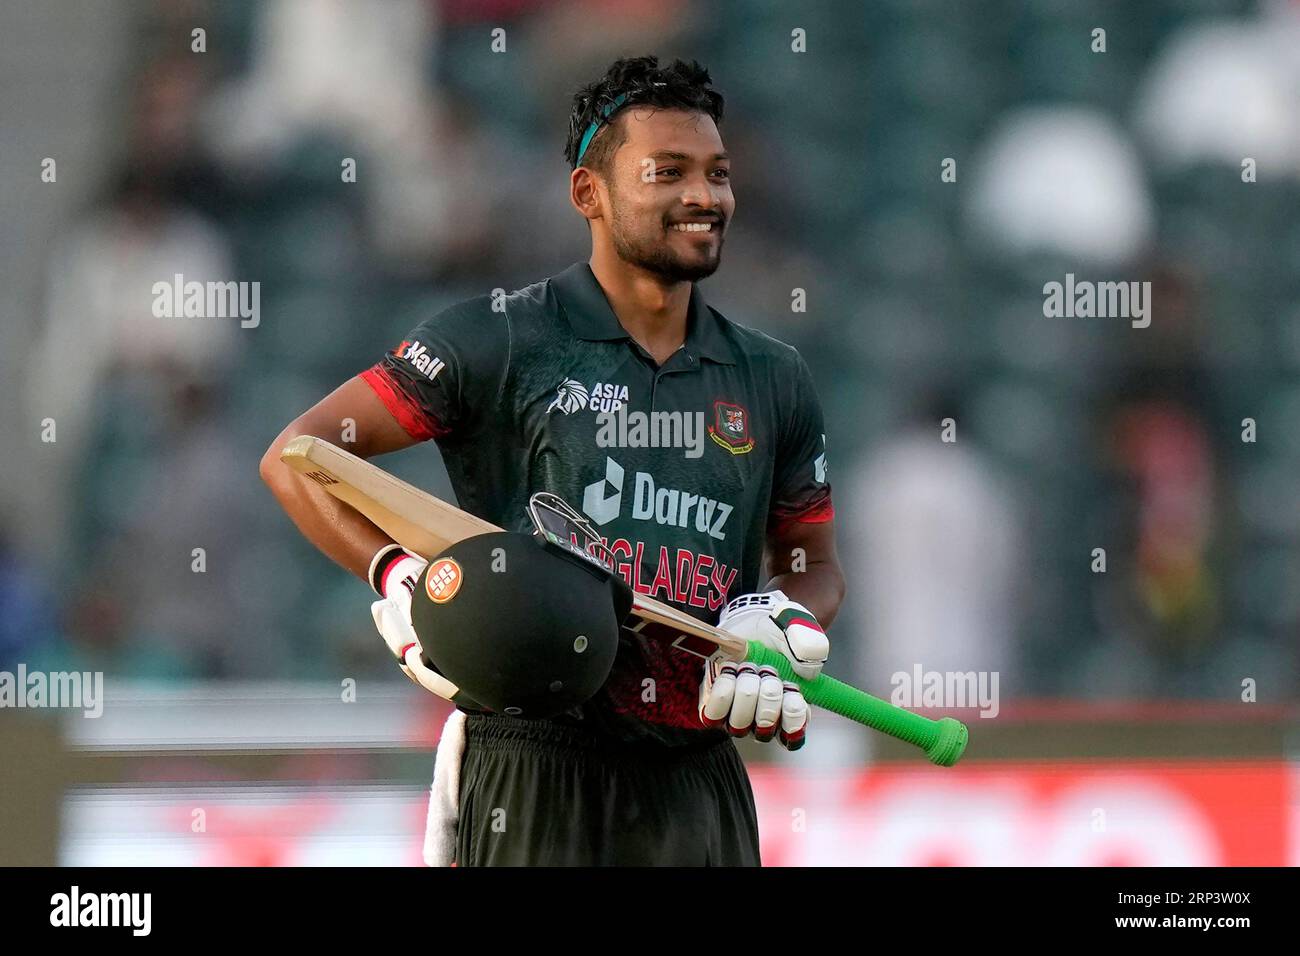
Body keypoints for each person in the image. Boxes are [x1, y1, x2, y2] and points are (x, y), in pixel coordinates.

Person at [261, 55, 844, 866]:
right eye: (667, 172)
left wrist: (783, 617)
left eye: (717, 173)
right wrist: (396, 578)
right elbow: (297, 457)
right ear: (588, 194)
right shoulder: (501, 337)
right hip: (531, 762)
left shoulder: (774, 376)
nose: (704, 196)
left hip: (699, 778)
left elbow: (814, 562)